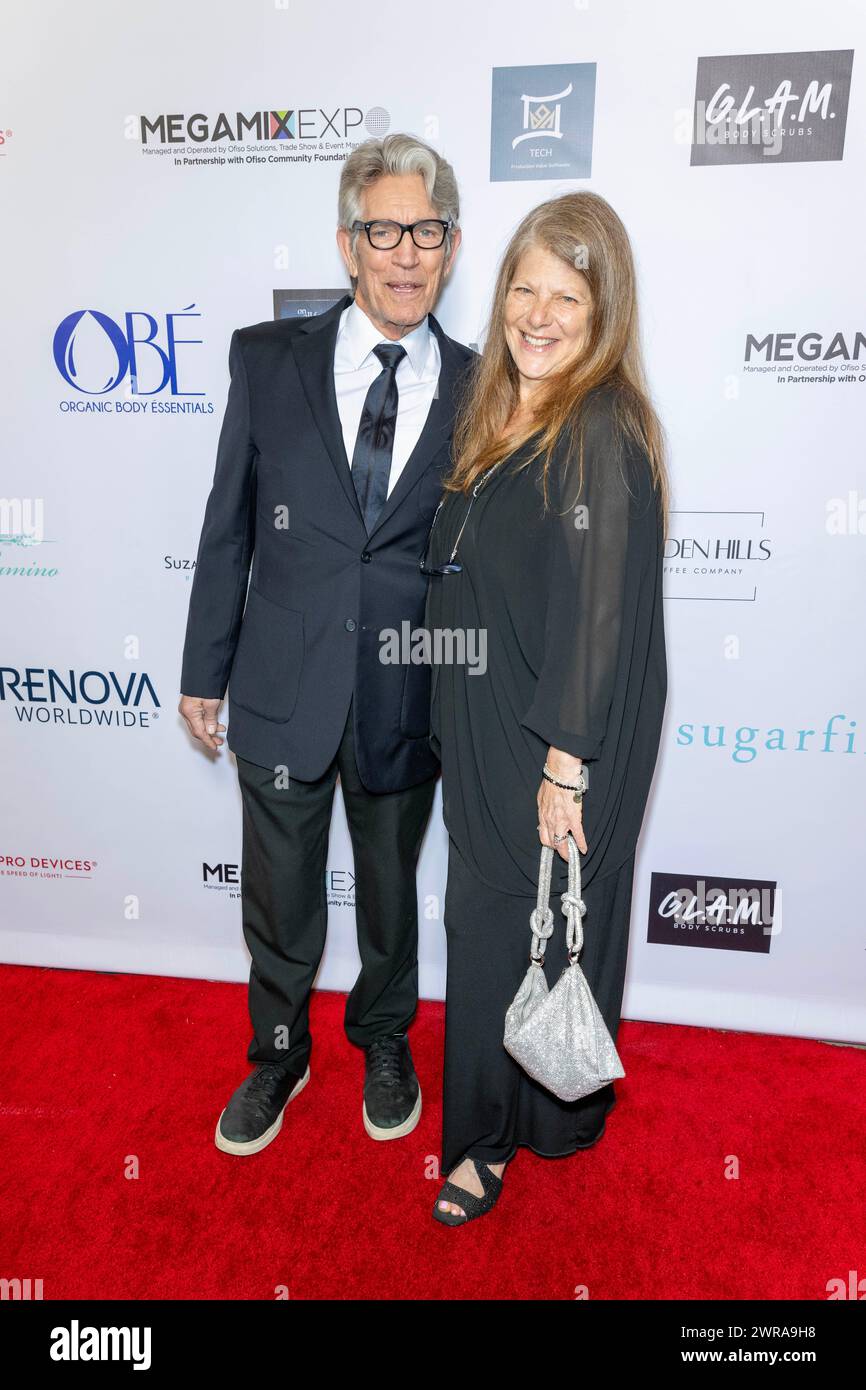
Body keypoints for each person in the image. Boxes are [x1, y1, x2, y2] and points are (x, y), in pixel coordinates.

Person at [179, 133, 474, 1155]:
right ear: (347, 244)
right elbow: (228, 523)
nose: (404, 254)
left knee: (391, 894)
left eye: (424, 232)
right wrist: (200, 670)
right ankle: (276, 1051)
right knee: (281, 892)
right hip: (278, 680)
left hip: (407, 694)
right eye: (382, 230)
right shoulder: (268, 360)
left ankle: (383, 1039)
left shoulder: (486, 389)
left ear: (450, 246)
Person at [424, 191, 668, 1223]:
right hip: (489, 708)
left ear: (600, 308)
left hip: (556, 730)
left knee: (501, 928)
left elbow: (603, 609)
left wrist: (565, 761)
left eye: (564, 295)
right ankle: (530, 1115)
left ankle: (484, 1141)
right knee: (502, 924)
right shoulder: (496, 401)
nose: (536, 312)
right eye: (522, 286)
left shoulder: (602, 422)